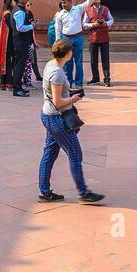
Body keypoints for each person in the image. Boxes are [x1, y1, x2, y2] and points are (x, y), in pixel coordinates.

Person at [37, 37, 105, 205]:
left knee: (49, 154)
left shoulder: (51, 65)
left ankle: (44, 192)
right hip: (57, 118)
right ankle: (83, 193)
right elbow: (59, 101)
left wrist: (71, 93)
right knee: (75, 154)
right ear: (67, 53)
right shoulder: (57, 73)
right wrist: (73, 99)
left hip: (49, 115)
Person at [52, 0, 95, 94]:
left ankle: (79, 82)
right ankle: (69, 82)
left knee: (79, 61)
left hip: (78, 37)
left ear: (70, 2)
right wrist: (58, 42)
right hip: (66, 38)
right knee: (68, 62)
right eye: (62, 3)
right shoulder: (60, 14)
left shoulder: (78, 9)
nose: (63, 5)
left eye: (65, 2)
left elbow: (88, 3)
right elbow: (58, 28)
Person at [83, 0, 114, 87]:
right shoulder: (88, 10)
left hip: (104, 37)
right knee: (93, 59)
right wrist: (93, 25)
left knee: (105, 59)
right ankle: (95, 78)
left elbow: (111, 20)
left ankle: (107, 79)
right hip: (93, 38)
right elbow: (84, 24)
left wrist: (105, 23)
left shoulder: (105, 9)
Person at [9, 0, 35, 97]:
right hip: (21, 42)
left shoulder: (19, 10)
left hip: (20, 41)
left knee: (20, 65)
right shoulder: (20, 11)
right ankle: (17, 89)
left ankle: (19, 87)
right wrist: (31, 26)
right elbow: (20, 27)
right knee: (19, 65)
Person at [0, 0, 14, 91]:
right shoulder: (7, 14)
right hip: (8, 41)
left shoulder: (6, 13)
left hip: (6, 39)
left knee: (6, 61)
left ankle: (4, 83)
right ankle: (8, 83)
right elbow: (12, 27)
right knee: (8, 62)